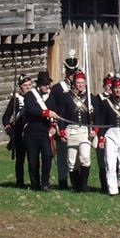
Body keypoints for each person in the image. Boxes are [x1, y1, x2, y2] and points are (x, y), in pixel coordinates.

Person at [56, 71, 96, 193]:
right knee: (72, 161)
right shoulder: (66, 96)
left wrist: (95, 129)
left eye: (82, 83)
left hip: (84, 130)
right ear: (73, 84)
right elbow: (61, 115)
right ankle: (75, 186)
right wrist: (62, 130)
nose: (80, 85)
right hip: (71, 130)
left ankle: (84, 185)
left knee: (85, 157)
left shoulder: (90, 98)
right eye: (78, 83)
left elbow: (96, 115)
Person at [96, 73, 120, 196]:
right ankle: (113, 190)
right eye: (115, 88)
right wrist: (101, 137)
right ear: (111, 89)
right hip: (110, 133)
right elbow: (101, 121)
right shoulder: (106, 103)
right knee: (110, 163)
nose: (118, 90)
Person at [22, 71, 59, 191]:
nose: (47, 87)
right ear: (39, 85)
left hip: (45, 130)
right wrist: (45, 112)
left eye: (48, 84)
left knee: (47, 156)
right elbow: (31, 110)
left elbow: (54, 113)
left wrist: (54, 126)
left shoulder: (51, 98)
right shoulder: (30, 96)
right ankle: (34, 184)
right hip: (32, 130)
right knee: (33, 160)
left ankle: (45, 183)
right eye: (44, 84)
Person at [48, 50, 79, 189]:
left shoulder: (80, 87)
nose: (72, 75)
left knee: (76, 155)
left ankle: (77, 181)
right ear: (65, 71)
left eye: (74, 72)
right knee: (62, 155)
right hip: (62, 124)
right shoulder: (58, 89)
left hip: (77, 126)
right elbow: (53, 107)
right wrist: (56, 126)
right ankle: (62, 180)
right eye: (70, 72)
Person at [2, 73, 31, 189]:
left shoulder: (35, 97)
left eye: (29, 85)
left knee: (32, 159)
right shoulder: (16, 100)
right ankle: (20, 182)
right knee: (20, 160)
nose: (28, 87)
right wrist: (9, 131)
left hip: (31, 133)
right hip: (19, 134)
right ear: (20, 87)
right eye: (25, 85)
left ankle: (34, 182)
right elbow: (6, 117)